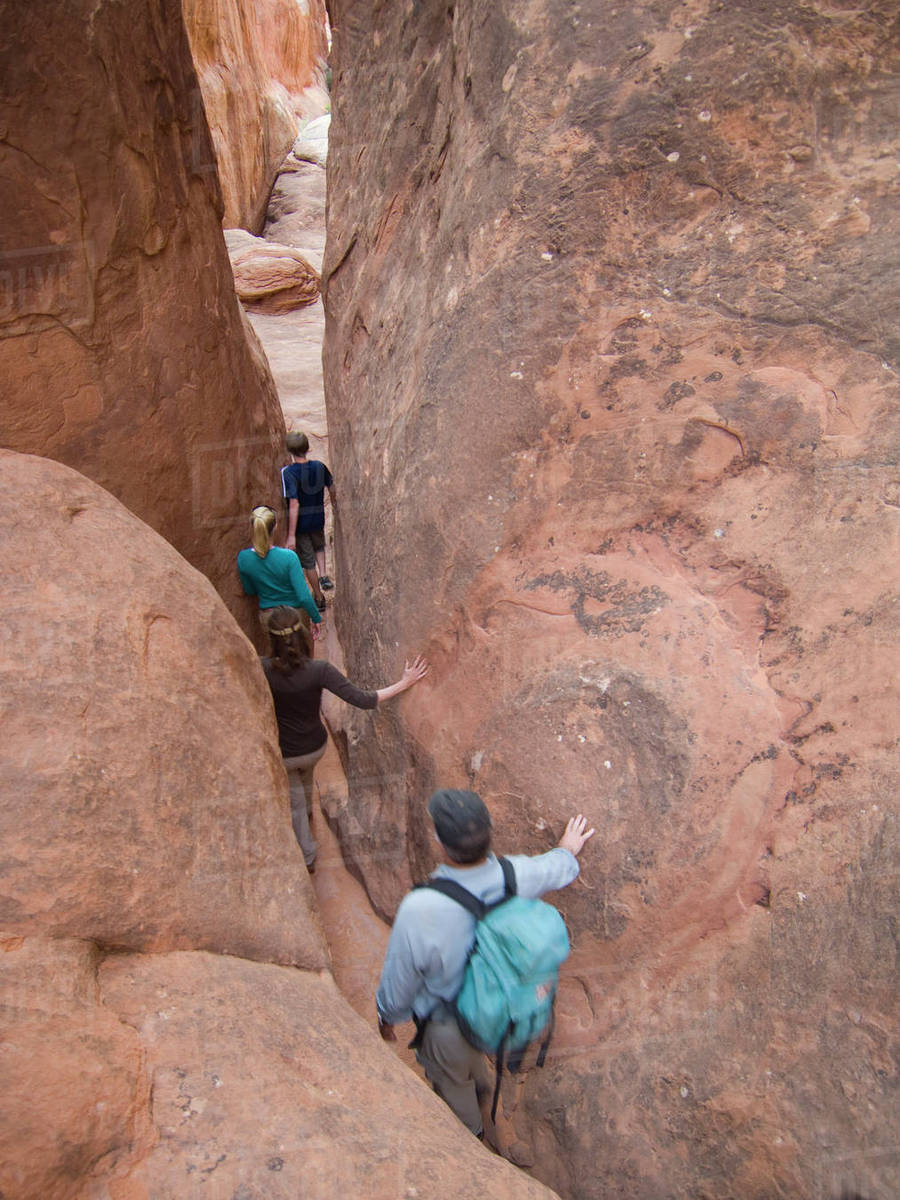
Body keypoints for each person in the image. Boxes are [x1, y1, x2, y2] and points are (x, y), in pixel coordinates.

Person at [376, 789, 594, 1138]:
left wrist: (386, 1017)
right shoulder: (515, 875)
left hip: (446, 1023)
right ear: (489, 833)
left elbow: (401, 980)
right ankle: (484, 1082)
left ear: (440, 842)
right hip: (499, 1008)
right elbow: (556, 869)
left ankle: (471, 1134)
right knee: (475, 1048)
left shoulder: (421, 908)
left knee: (451, 1079)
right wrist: (567, 849)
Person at [261, 605, 429, 871]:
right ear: (303, 635)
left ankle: (307, 857)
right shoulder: (320, 671)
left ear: (271, 640)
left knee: (294, 798)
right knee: (305, 780)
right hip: (315, 746)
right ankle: (307, 810)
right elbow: (363, 699)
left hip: (286, 752)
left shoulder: (264, 669)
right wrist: (404, 683)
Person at [237, 505, 323, 636]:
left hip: (269, 618)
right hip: (294, 615)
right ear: (275, 526)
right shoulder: (289, 557)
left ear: (253, 527)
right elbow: (304, 596)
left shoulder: (243, 558)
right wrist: (316, 618)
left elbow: (250, 590)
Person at [281, 431, 335, 608]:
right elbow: (331, 486)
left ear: (290, 450)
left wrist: (291, 535)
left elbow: (294, 502)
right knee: (319, 546)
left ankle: (319, 597)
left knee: (307, 561)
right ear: (308, 448)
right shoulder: (319, 466)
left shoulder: (288, 473)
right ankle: (324, 575)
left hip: (301, 525)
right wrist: (334, 504)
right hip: (318, 517)